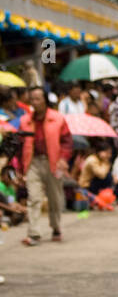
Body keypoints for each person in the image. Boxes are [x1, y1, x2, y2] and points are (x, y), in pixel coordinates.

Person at [18, 86, 70, 245]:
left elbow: (67, 142)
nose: (34, 102)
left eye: (37, 98)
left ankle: (55, 227)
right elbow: (20, 144)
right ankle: (34, 233)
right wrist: (20, 169)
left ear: (45, 100)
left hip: (53, 163)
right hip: (33, 163)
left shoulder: (58, 118)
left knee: (55, 198)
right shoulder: (25, 120)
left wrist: (63, 159)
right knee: (33, 198)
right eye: (32, 98)